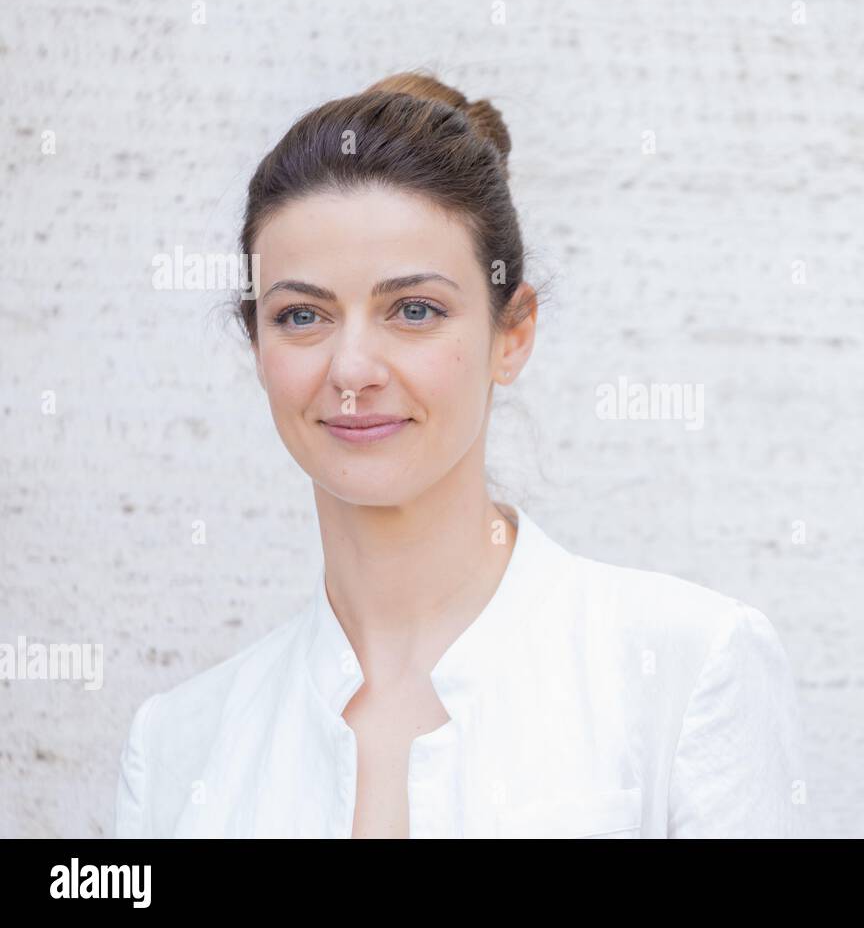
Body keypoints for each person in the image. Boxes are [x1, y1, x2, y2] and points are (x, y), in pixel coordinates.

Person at [114, 72, 805, 838]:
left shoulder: (689, 667)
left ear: (511, 333)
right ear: (258, 345)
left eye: (414, 310)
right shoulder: (178, 748)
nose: (352, 370)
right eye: (302, 314)